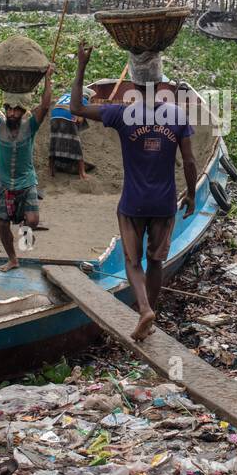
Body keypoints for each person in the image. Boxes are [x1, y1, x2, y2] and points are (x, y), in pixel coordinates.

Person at [71, 40, 197, 341]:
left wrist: (81, 66)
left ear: (135, 85)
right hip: (164, 203)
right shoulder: (177, 116)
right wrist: (191, 193)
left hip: (133, 202)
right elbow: (190, 161)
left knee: (132, 260)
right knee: (155, 261)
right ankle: (150, 313)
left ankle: (143, 310)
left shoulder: (121, 113)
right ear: (161, 84)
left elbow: (76, 107)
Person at [0, 61, 54, 271]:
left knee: (33, 220)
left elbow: (45, 106)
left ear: (23, 111)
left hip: (26, 182)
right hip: (4, 183)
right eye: (8, 109)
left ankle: (24, 235)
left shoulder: (30, 127)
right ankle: (13, 259)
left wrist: (48, 77)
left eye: (16, 110)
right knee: (2, 223)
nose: (11, 113)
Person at [48, 87, 93, 181]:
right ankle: (82, 173)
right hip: (67, 116)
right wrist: (77, 127)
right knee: (76, 144)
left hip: (54, 116)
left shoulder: (65, 95)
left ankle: (51, 170)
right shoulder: (83, 100)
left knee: (54, 141)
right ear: (86, 96)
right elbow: (79, 119)